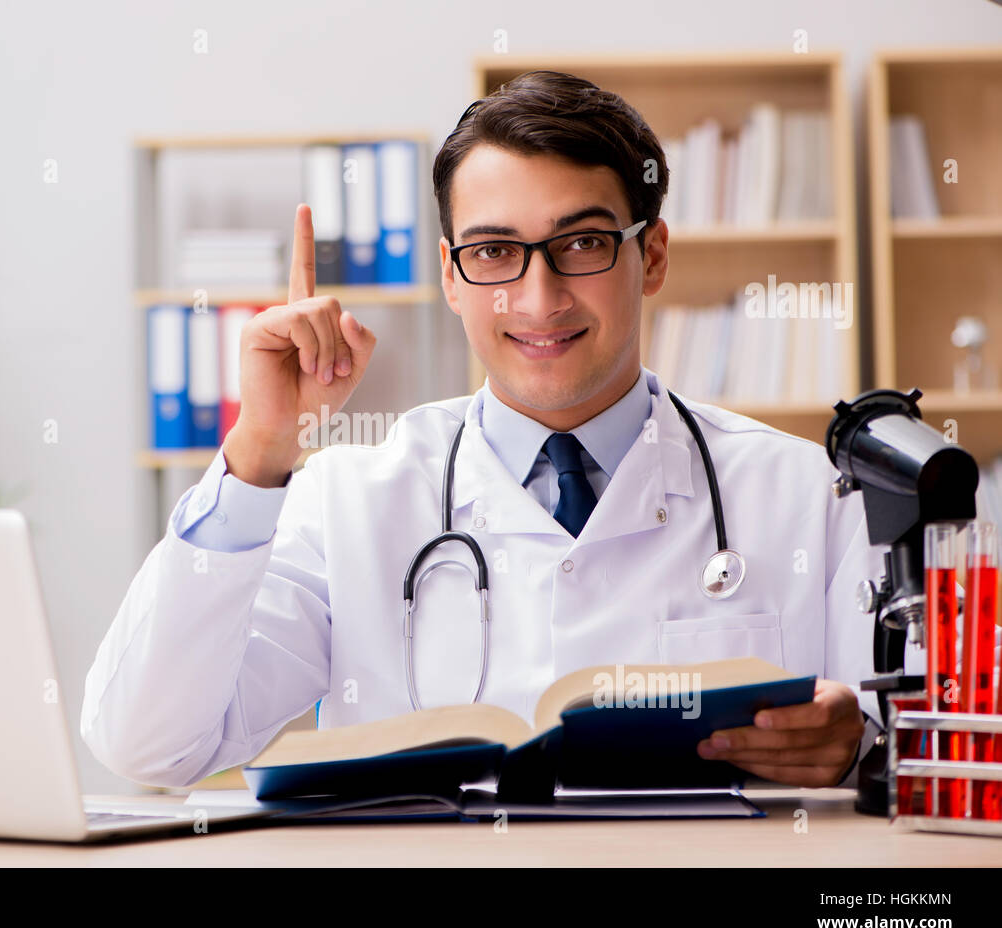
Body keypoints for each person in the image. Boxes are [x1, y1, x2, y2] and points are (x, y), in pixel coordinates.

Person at [81, 70, 887, 791]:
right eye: (495, 250)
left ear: (653, 257)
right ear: (450, 275)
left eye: (582, 243)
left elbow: (916, 748)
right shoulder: (345, 504)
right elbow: (150, 745)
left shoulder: (807, 493)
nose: (539, 299)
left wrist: (857, 747)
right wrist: (258, 450)